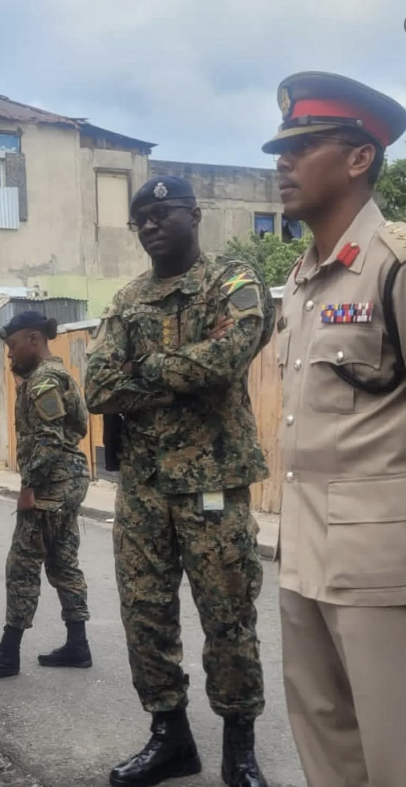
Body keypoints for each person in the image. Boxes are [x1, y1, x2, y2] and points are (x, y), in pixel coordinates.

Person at [85, 175, 275, 787]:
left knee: (227, 617)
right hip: (142, 490)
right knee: (146, 615)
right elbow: (96, 388)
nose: (148, 226)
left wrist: (144, 371)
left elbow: (225, 358)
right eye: (139, 218)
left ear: (194, 215)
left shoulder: (234, 282)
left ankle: (238, 748)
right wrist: (176, 373)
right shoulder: (126, 299)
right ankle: (171, 739)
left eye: (161, 213)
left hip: (213, 484)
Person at [262, 72, 406, 787]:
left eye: (303, 145)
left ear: (359, 158)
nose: (281, 163)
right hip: (303, 557)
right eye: (279, 149)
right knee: (327, 750)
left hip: (383, 571)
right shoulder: (304, 280)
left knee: (395, 755)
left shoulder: (395, 266)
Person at [0, 311, 92, 678]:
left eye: (12, 345)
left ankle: (8, 651)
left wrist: (28, 486)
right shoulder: (60, 373)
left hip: (50, 486)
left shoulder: (44, 381)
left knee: (22, 564)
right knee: (63, 561)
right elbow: (79, 427)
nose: (8, 354)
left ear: (33, 338)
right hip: (68, 481)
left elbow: (49, 440)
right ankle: (77, 644)